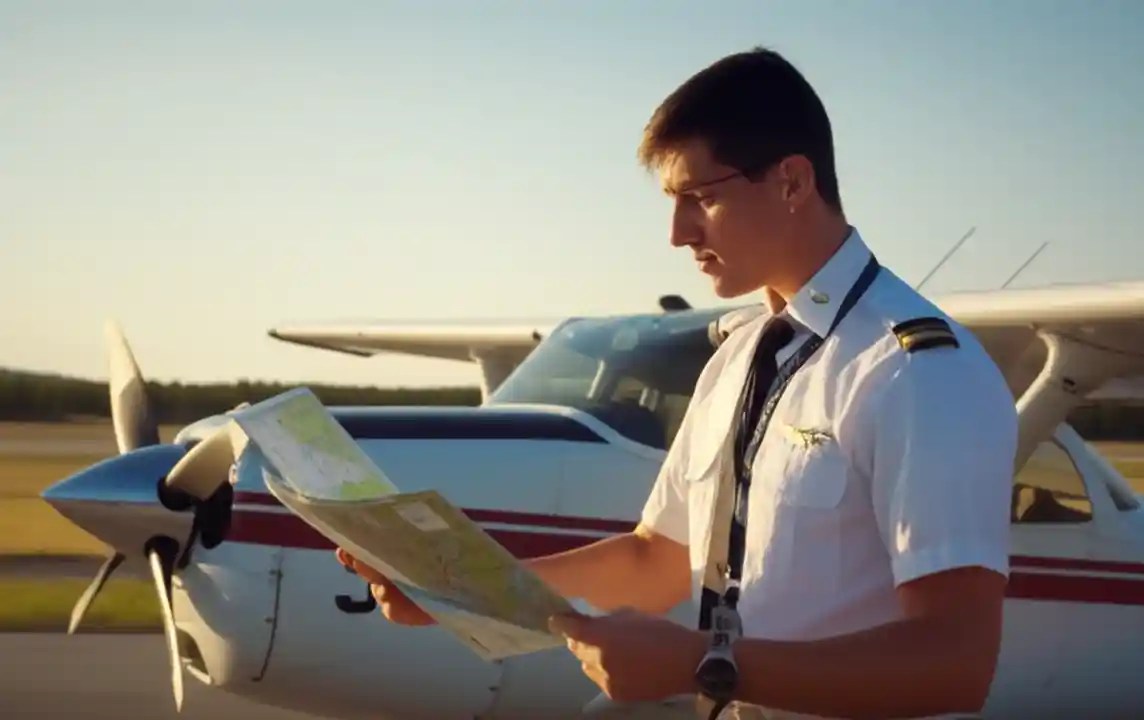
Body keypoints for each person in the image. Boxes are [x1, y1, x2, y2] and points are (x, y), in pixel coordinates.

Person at [338, 47, 1017, 719]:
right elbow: (657, 558)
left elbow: (954, 663)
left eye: (700, 197)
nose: (675, 233)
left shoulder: (915, 369)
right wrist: (456, 590)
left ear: (791, 181)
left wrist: (704, 665)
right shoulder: (739, 356)